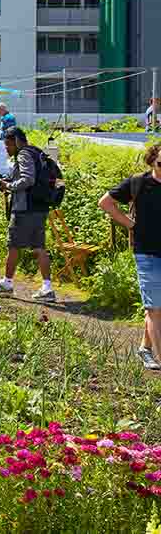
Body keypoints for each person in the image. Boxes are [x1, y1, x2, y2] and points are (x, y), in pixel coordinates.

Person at [99, 142, 161, 370]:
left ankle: (144, 349)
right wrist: (130, 224)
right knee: (154, 308)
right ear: (152, 162)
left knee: (158, 307)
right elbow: (105, 203)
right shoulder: (139, 183)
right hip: (146, 252)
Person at [0, 127, 54, 301]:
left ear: (16, 141)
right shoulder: (37, 152)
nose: (6, 149)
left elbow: (28, 179)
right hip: (39, 207)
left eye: (8, 145)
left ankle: (7, 284)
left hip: (24, 209)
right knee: (39, 248)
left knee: (14, 246)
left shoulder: (23, 154)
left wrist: (8, 186)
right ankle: (47, 288)